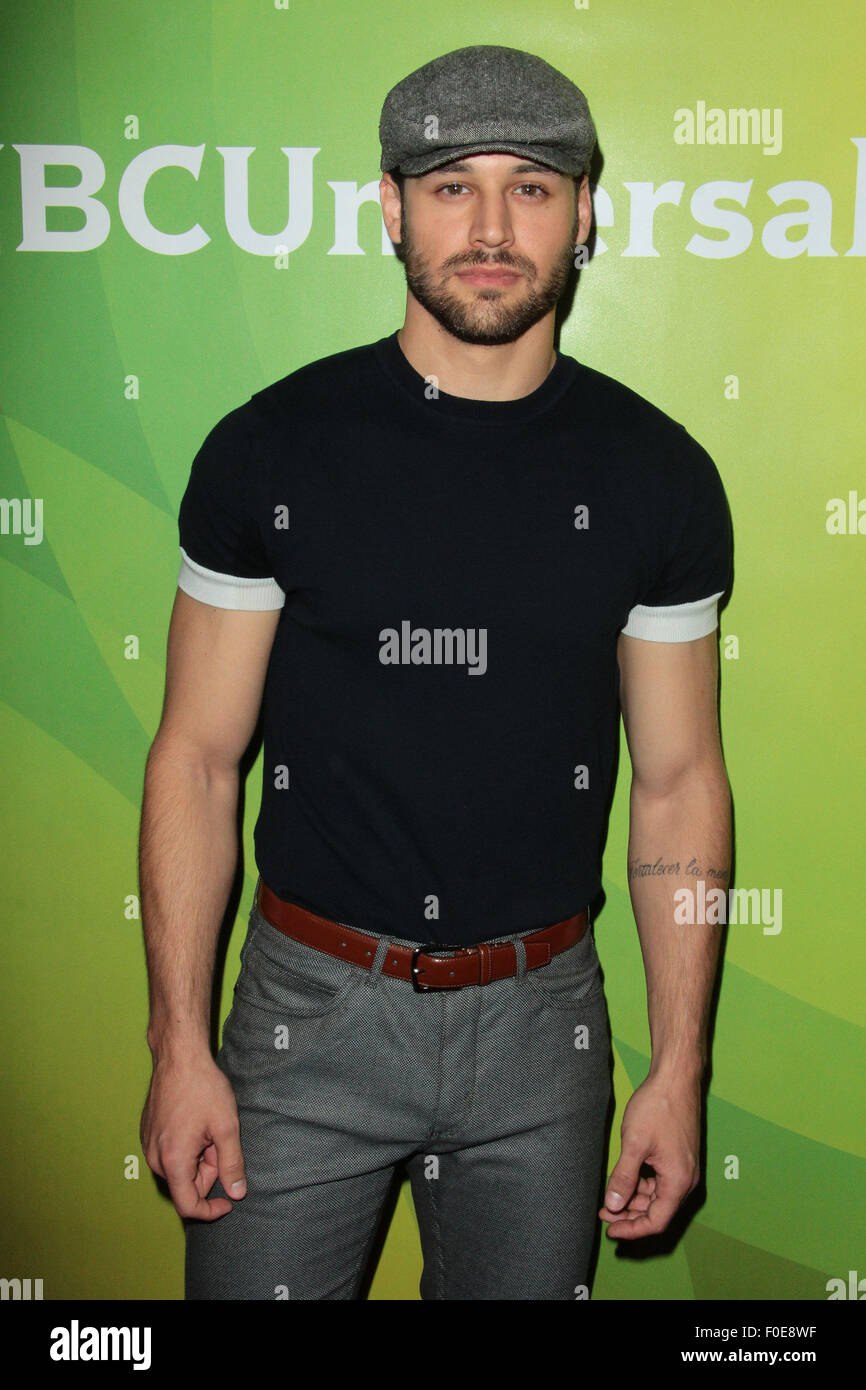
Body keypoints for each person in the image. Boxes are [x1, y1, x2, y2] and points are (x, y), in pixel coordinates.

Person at [139, 44, 733, 1301]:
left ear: (584, 216)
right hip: (306, 1021)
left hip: (542, 1028)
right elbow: (195, 758)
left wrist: (677, 1066)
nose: (489, 223)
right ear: (389, 207)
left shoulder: (658, 476)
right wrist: (179, 1044)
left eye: (530, 185)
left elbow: (677, 784)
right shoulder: (268, 450)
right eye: (450, 183)